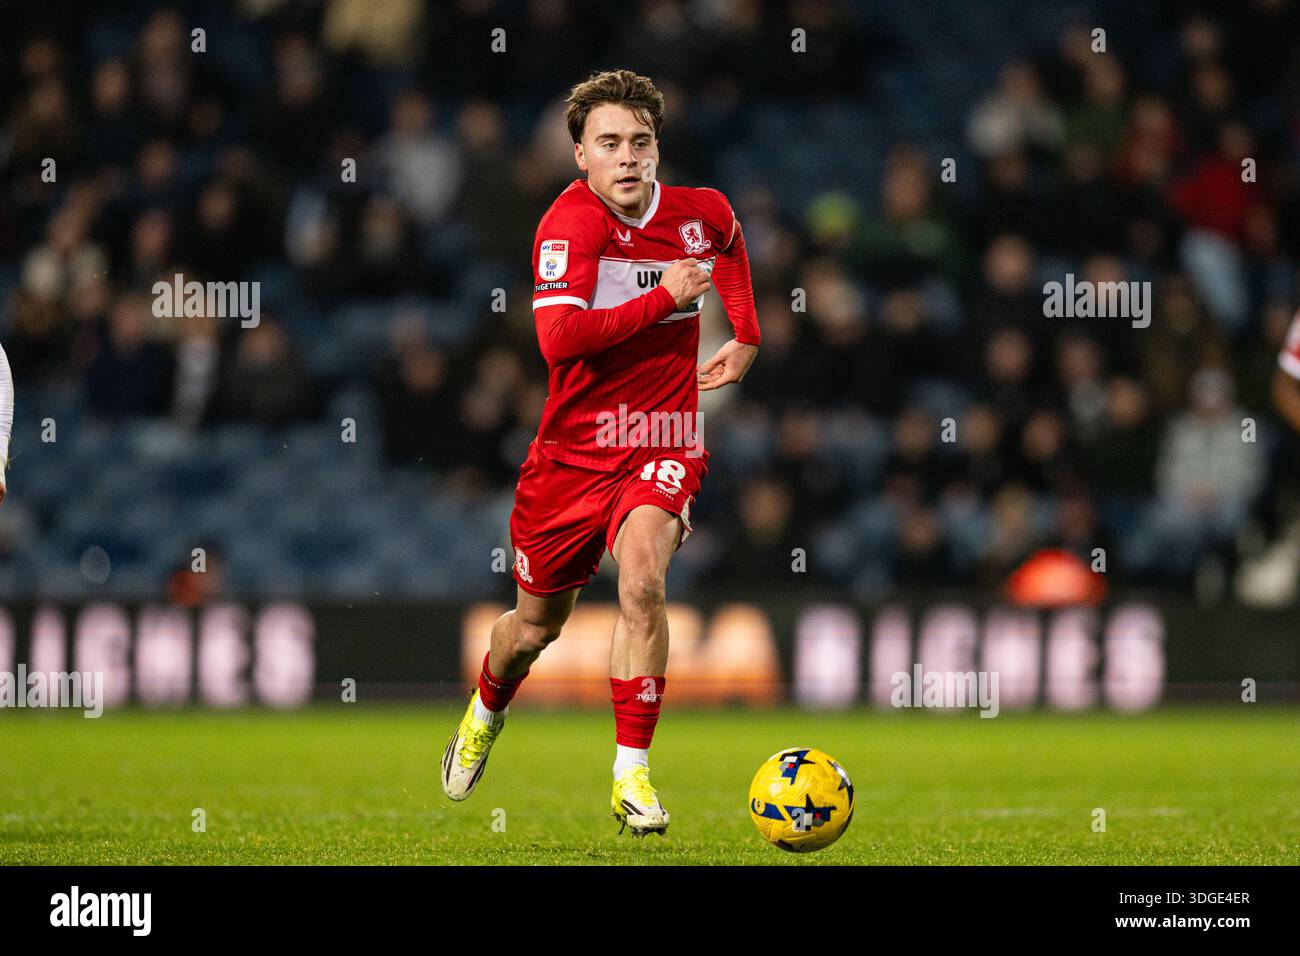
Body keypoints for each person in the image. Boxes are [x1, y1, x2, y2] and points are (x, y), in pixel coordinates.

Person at [440, 69, 761, 836]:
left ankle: (632, 777)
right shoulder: (568, 226)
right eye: (609, 143)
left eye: (641, 143)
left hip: (662, 438)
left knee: (644, 583)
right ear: (580, 154)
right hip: (571, 458)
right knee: (532, 630)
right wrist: (666, 300)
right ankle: (486, 710)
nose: (627, 158)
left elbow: (732, 240)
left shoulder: (698, 213)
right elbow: (559, 340)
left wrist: (747, 333)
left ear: (658, 149)